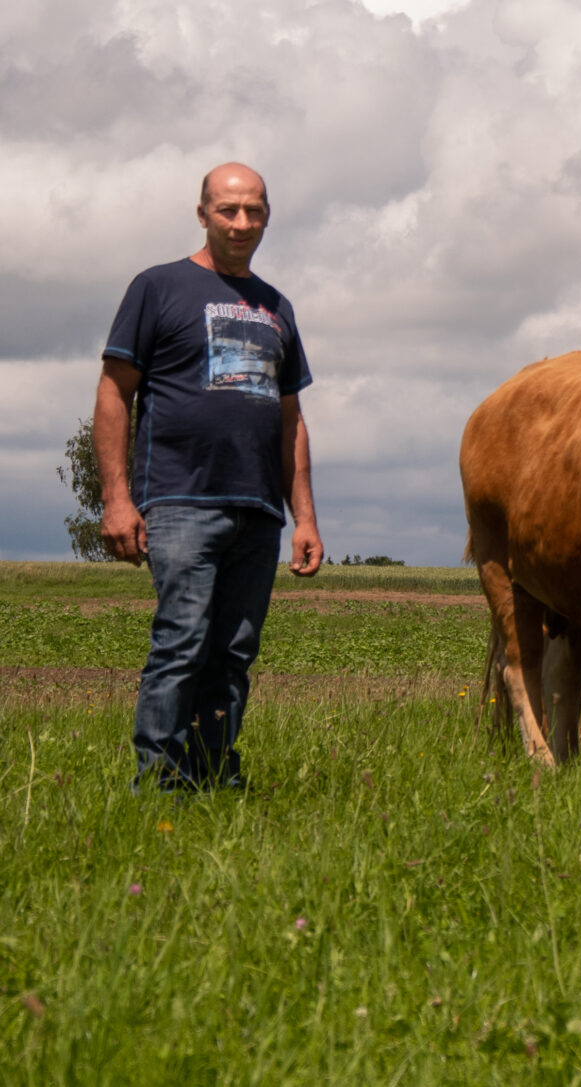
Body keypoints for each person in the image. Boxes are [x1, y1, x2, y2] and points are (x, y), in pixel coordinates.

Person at [95, 163, 323, 792]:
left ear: (268, 215)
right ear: (203, 214)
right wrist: (117, 499)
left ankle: (216, 776)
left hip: (258, 509)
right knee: (182, 642)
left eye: (253, 210)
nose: (241, 222)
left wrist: (303, 515)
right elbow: (114, 394)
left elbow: (290, 419)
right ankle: (161, 786)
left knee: (233, 655)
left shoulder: (278, 307)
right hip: (180, 500)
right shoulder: (158, 287)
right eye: (228, 210)